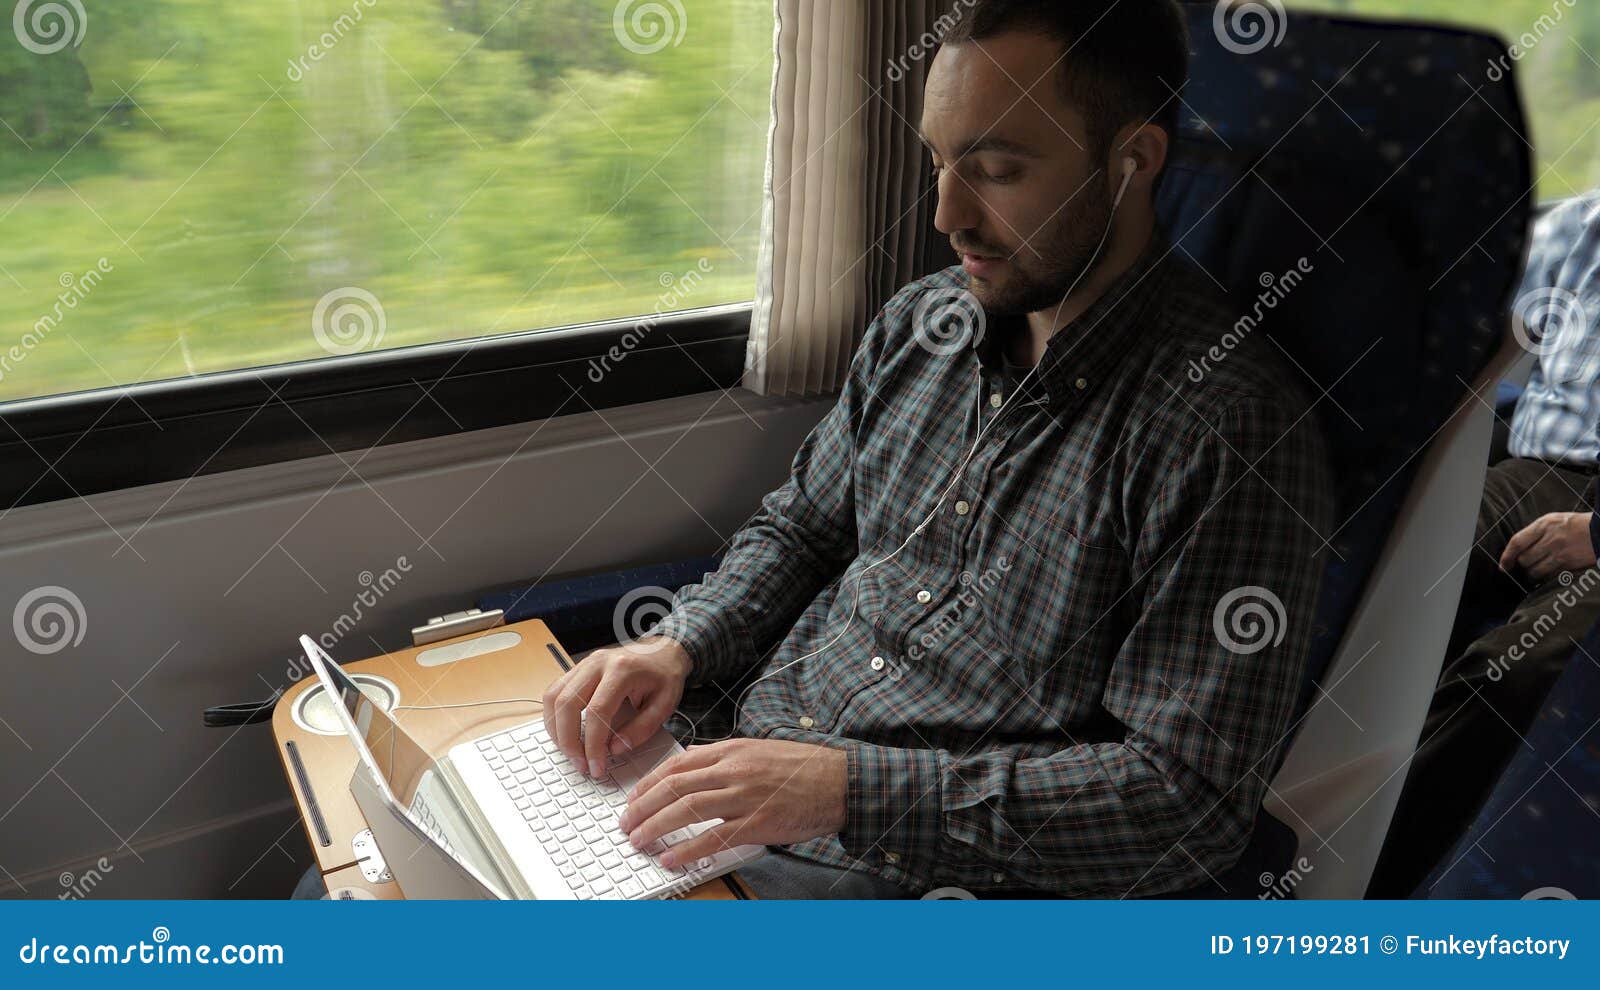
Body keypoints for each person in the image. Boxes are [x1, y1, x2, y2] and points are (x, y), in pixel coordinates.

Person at [543, 0, 1333, 899]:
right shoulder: (924, 326)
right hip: (727, 769)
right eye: (939, 162)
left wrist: (846, 792)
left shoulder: (1226, 431)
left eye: (996, 170)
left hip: (908, 876)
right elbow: (801, 531)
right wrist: (680, 646)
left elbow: (1183, 807)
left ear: (1134, 160)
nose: (947, 214)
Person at [1371, 192, 1600, 898]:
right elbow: (1479, 343)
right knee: (1388, 584)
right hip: (1542, 465)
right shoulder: (1578, 225)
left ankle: (1365, 885)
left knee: (1517, 671)